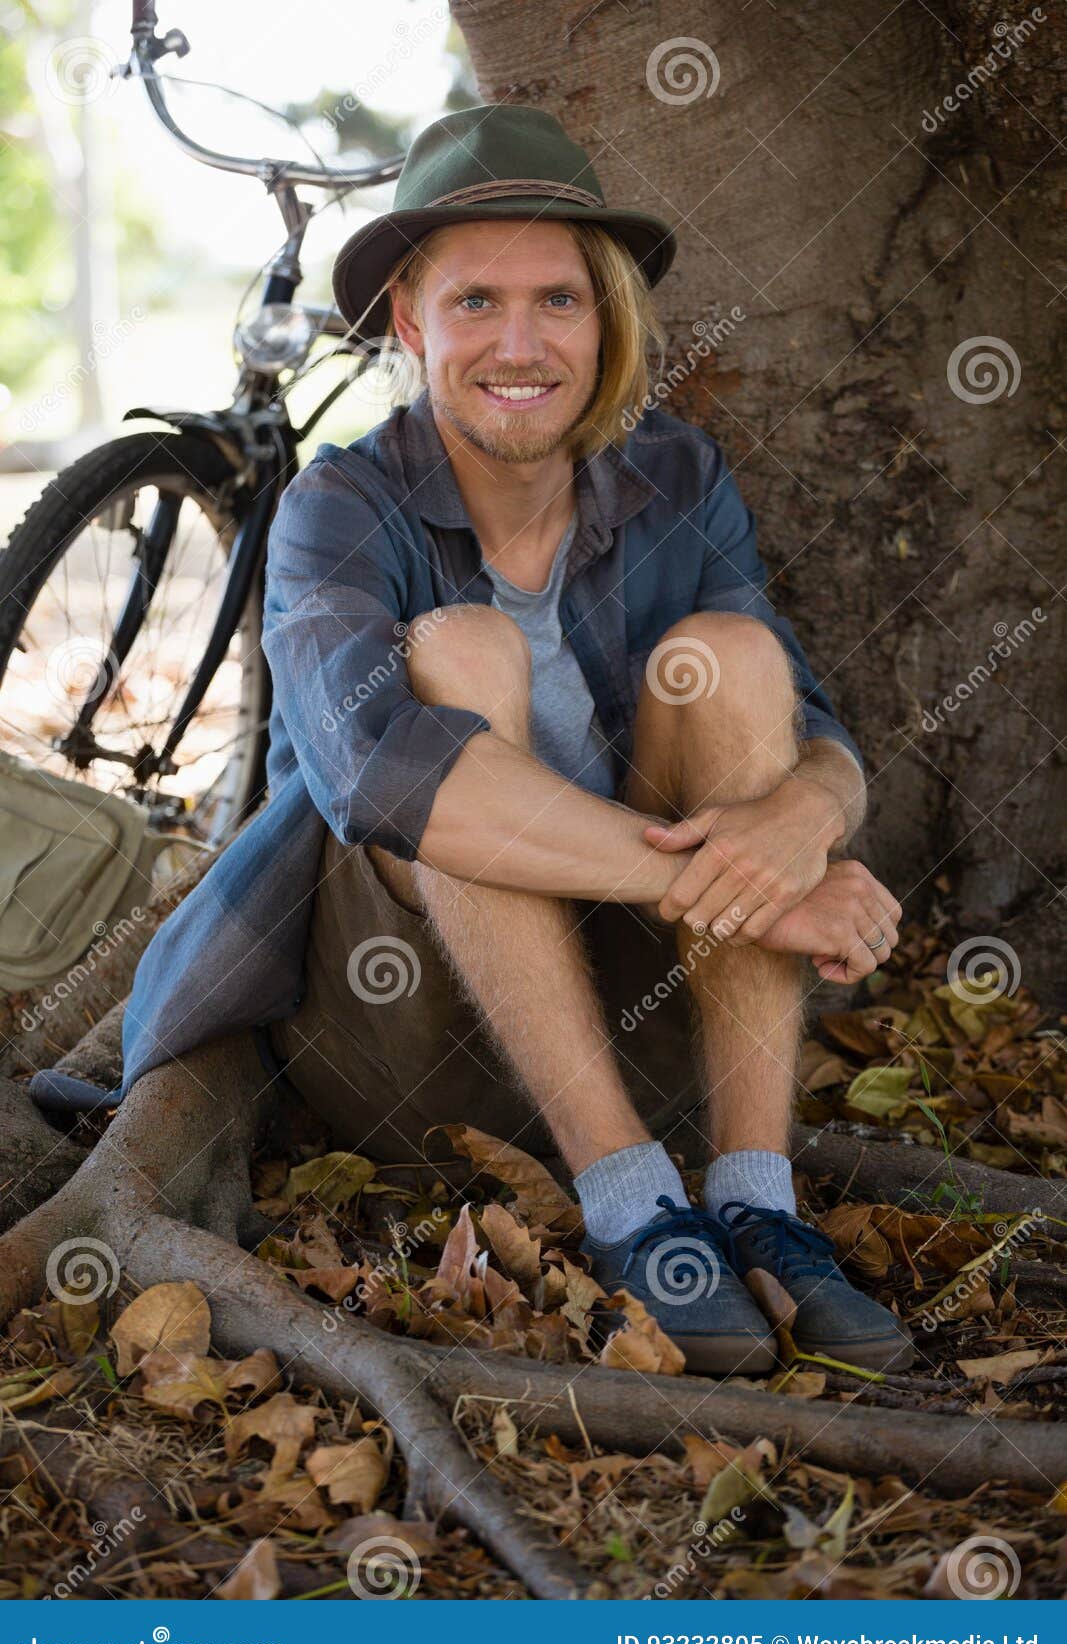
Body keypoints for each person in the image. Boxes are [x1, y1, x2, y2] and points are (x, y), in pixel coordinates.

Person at [39, 104, 910, 1377]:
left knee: (734, 662)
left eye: (557, 300)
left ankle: (755, 1195)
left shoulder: (675, 473)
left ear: (605, 317)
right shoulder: (337, 506)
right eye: (474, 302)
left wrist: (801, 820)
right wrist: (749, 893)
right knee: (455, 656)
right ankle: (624, 1199)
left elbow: (814, 730)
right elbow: (378, 769)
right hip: (391, 1028)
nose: (519, 343)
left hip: (635, 1015)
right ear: (408, 321)